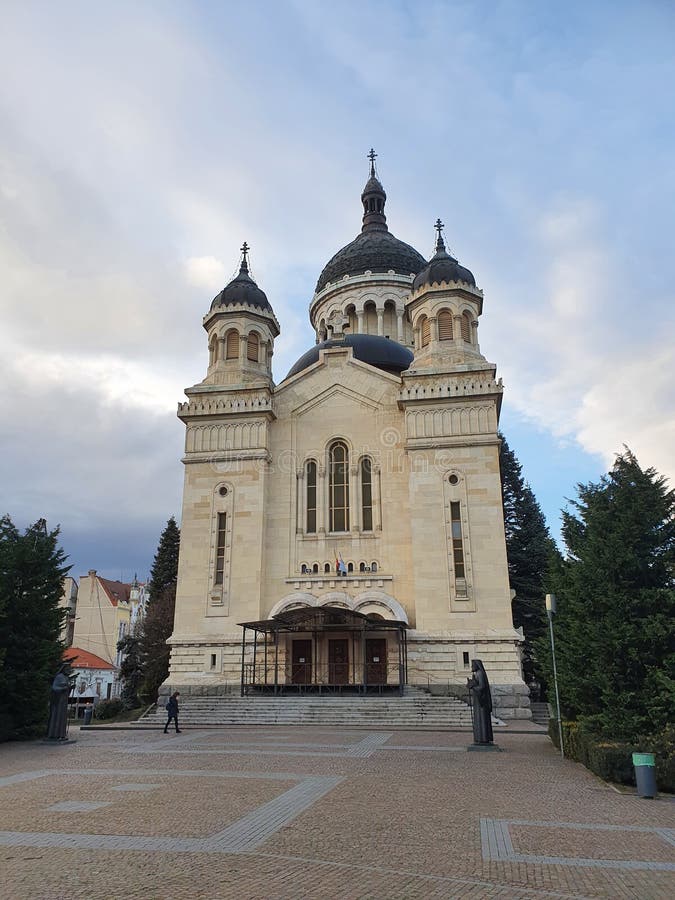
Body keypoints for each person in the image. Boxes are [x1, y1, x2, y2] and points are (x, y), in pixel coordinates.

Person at [467, 659, 493, 744]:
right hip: (478, 700)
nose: (471, 667)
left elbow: (482, 686)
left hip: (481, 701)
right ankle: (480, 737)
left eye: (472, 665)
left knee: (481, 719)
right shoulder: (477, 674)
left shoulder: (480, 674)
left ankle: (483, 738)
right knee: (479, 718)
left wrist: (472, 687)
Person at [46, 663, 74, 740]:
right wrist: (63, 689)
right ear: (63, 669)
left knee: (62, 718)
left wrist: (71, 688)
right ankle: (53, 734)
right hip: (57, 702)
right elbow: (54, 688)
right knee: (57, 717)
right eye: (67, 669)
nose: (68, 671)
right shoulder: (59, 677)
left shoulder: (66, 678)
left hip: (64, 701)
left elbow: (67, 689)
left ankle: (61, 735)